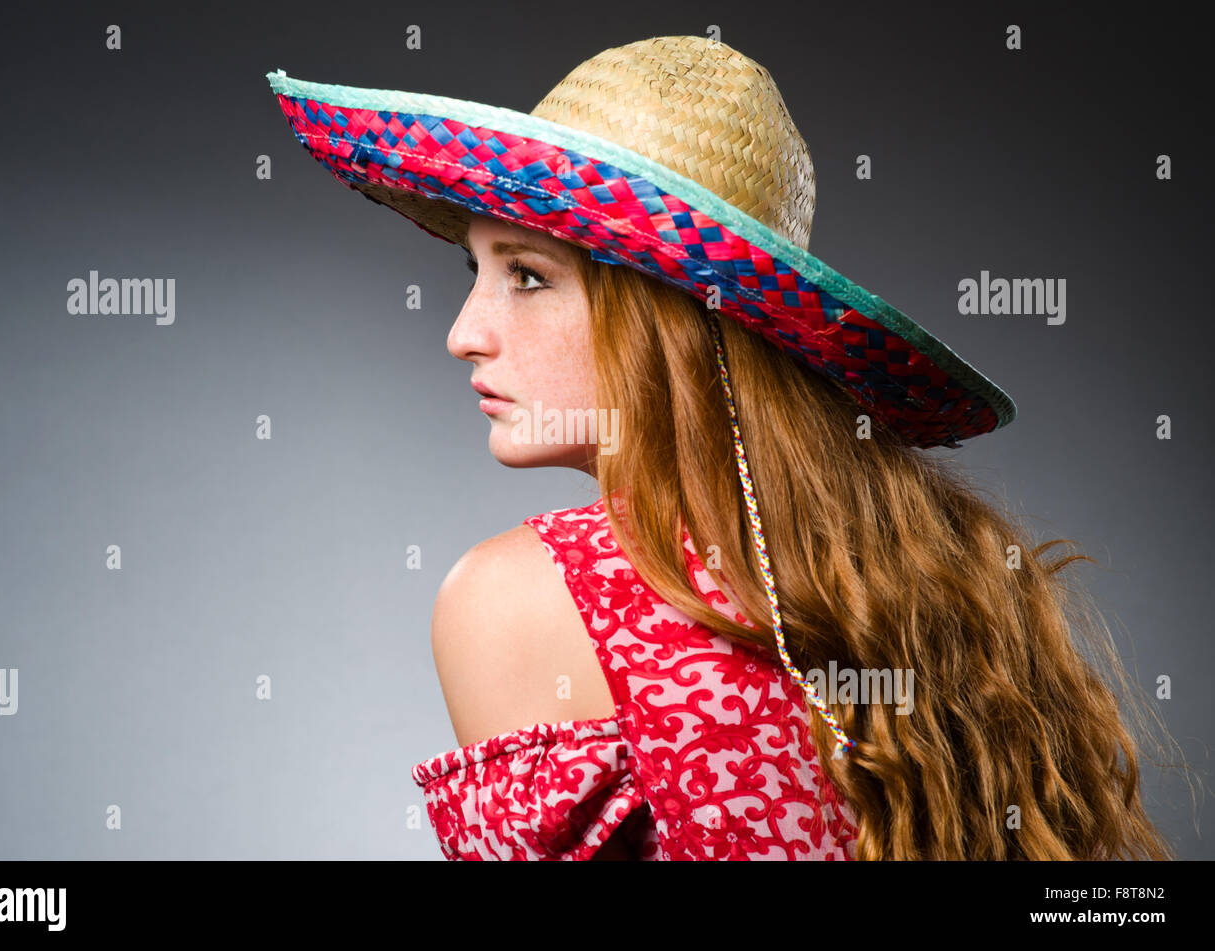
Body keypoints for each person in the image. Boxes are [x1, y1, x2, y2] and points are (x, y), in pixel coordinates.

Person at [267, 35, 1177, 860]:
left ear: (671, 315)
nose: (466, 332)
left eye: (529, 276)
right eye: (478, 273)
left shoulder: (521, 597)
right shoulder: (950, 574)